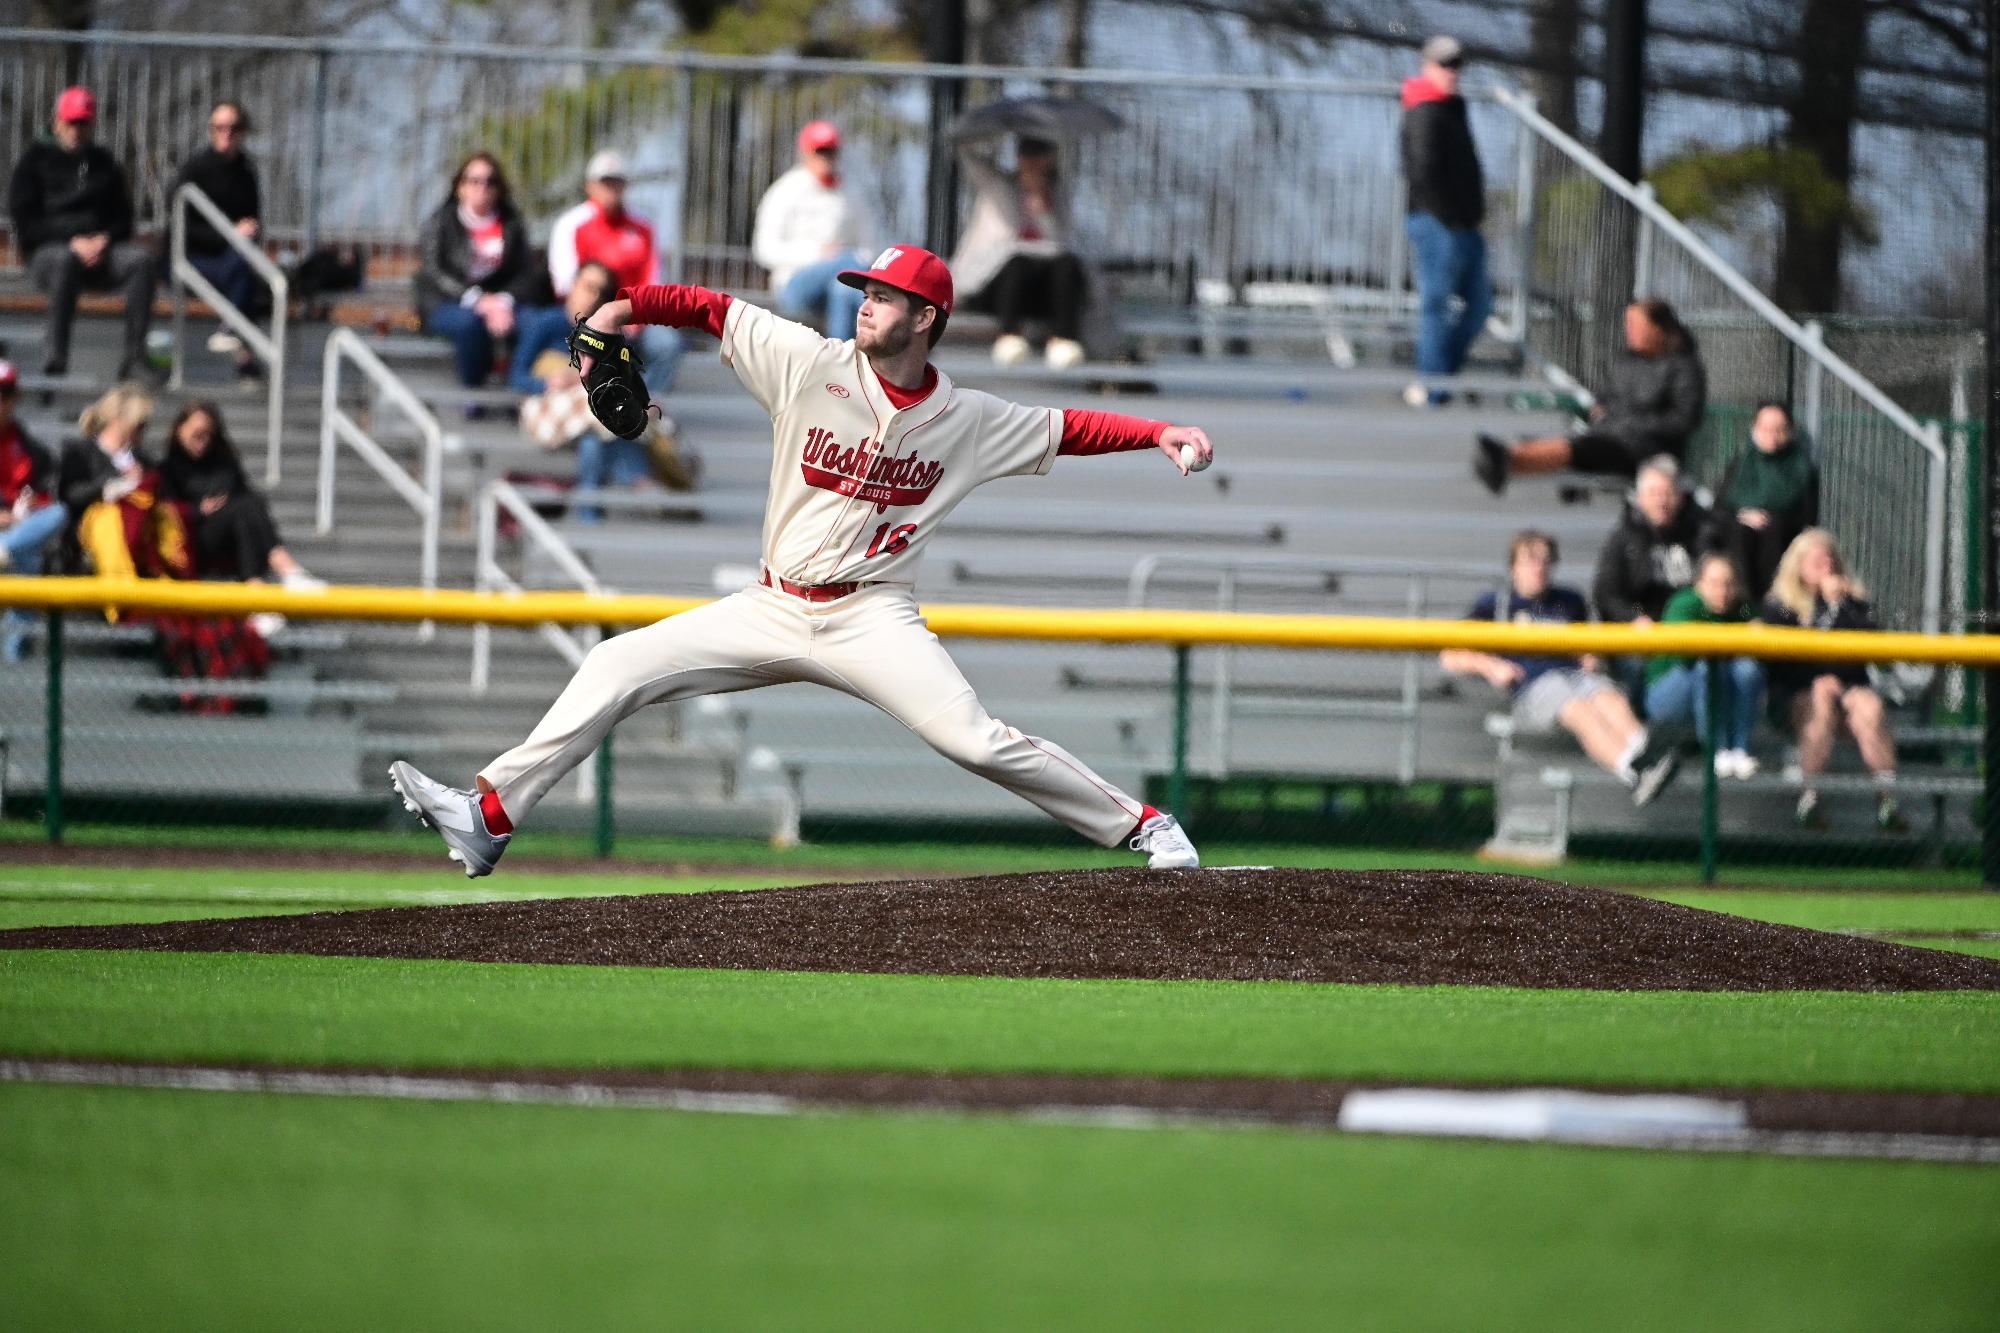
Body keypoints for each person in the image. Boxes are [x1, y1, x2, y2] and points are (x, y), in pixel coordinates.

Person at [390, 244, 1211, 876]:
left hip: (870, 614)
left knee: (975, 739)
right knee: (615, 663)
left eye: (886, 296)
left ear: (925, 317)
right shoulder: (809, 361)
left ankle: (1145, 825)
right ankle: (489, 815)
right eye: (866, 291)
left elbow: (1067, 427)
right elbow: (707, 308)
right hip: (771, 604)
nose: (866, 304)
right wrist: (616, 310)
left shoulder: (967, 417)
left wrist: (1157, 434)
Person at [1440, 529, 1679, 805]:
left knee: (1609, 698)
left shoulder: (1569, 600)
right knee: (1579, 709)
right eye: (1530, 561)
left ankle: (1648, 754)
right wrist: (1491, 666)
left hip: (1573, 675)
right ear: (1514, 567)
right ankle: (1633, 772)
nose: (1538, 568)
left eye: (1545, 561)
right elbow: (1450, 654)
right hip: (1534, 687)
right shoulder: (1496, 604)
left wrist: (1589, 656)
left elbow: (1586, 646)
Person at [515, 261, 692, 520]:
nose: (593, 296)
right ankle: (641, 480)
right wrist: (546, 383)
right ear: (573, 285)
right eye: (588, 287)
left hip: (592, 416)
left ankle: (591, 515)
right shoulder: (546, 324)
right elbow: (516, 375)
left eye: (601, 291)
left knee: (594, 439)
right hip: (550, 410)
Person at [1476, 298, 1706, 492]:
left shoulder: (1685, 368)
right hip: (1611, 435)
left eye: (1636, 325)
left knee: (1578, 449)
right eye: (1628, 324)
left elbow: (1683, 420)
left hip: (1647, 451)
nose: (1629, 331)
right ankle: (1508, 457)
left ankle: (1507, 460)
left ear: (1658, 329)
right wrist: (1600, 407)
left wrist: (1630, 424)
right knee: (1574, 442)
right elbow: (1609, 396)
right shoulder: (1629, 361)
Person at [7, 87, 157, 381]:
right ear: (57, 120)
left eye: (83, 122)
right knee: (65, 259)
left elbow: (123, 218)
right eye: (71, 121)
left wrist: (104, 239)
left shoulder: (103, 163)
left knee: (141, 260)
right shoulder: (34, 162)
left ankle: (135, 356)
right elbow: (26, 222)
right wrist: (71, 241)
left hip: (100, 253)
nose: (77, 129)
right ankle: (56, 354)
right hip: (48, 256)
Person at [1761, 529, 1905, 832]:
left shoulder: (1852, 603)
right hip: (1797, 695)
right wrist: (1820, 679)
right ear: (1798, 566)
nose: (1826, 564)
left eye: (1830, 559)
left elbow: (1876, 650)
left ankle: (1888, 800)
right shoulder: (1780, 605)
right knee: (1821, 697)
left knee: (1869, 706)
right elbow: (1779, 664)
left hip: (1848, 693)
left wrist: (1841, 605)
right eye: (1817, 560)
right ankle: (1809, 799)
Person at [546, 151, 685, 399]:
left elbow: (653, 283)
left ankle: (641, 411)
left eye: (616, 181)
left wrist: (631, 318)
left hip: (632, 320)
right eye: (605, 181)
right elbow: (566, 284)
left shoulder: (643, 227)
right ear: (590, 186)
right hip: (584, 317)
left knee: (667, 344)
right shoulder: (571, 224)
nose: (611, 188)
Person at [1400, 34, 1491, 409]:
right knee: (1437, 306)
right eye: (1443, 64)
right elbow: (1422, 170)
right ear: (1426, 65)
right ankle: (1433, 388)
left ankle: (1437, 380)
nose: (1451, 72)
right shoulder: (1423, 109)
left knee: (1481, 306)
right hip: (1438, 223)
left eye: (1456, 64)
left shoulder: (1453, 107)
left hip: (1463, 224)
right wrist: (1450, 217)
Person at [952, 138, 1089, 369]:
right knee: (1017, 264)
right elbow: (968, 156)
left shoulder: (1057, 197)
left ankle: (1064, 339)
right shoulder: (997, 184)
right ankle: (1009, 335)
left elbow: (1063, 245)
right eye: (1026, 155)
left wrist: (1043, 210)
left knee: (1066, 266)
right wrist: (990, 132)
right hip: (996, 284)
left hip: (1042, 290)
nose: (1032, 163)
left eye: (1038, 156)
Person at [155, 401, 318, 589]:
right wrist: (198, 509)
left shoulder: (223, 463)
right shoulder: (166, 470)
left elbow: (239, 492)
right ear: (180, 429)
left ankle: (258, 586)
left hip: (231, 531)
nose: (203, 440)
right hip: (192, 537)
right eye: (197, 434)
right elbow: (165, 513)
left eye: (208, 435)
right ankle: (285, 569)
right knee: (246, 506)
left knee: (249, 506)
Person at [415, 152, 534, 387]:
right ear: (460, 187)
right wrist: (477, 301)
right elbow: (434, 272)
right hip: (446, 301)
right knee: (470, 324)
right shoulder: (440, 222)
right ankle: (473, 390)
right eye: (474, 180)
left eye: (491, 181)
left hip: (499, 301)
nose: (483, 187)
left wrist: (503, 300)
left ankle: (519, 386)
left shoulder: (512, 224)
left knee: (534, 322)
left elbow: (525, 272)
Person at [1643, 552, 1765, 780]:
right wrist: (1739, 641)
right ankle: (1715, 750)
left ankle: (1739, 749)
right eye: (1714, 583)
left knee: (1747, 669)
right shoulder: (1685, 603)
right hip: (1667, 698)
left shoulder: (1742, 607)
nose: (1722, 591)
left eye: (1729, 584)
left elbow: (1758, 630)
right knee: (1707, 667)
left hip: (1718, 691)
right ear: (1699, 584)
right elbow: (1690, 651)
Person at [170, 100, 264, 382]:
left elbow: (253, 220)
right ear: (211, 131)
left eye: (233, 128)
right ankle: (243, 354)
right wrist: (229, 234)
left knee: (249, 272)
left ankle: (238, 341)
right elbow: (178, 225)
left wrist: (251, 230)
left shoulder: (247, 173)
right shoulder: (195, 169)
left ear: (243, 131)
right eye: (219, 128)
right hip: (192, 257)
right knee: (241, 272)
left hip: (231, 259)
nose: (226, 134)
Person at [753, 120, 869, 342]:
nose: (826, 157)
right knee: (848, 263)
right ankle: (895, 333)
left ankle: (839, 368)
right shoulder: (785, 190)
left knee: (844, 290)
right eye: (820, 151)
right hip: (795, 284)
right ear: (805, 153)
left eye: (831, 151)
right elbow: (765, 249)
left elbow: (871, 245)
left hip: (842, 283)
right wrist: (820, 254)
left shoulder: (853, 193)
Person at [1711, 401, 1818, 600]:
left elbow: (1807, 516)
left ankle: (1772, 601)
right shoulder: (1741, 462)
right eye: (1765, 429)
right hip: (1740, 530)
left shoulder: (1800, 469)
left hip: (1780, 534)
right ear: (1755, 429)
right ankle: (1742, 601)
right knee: (1739, 531)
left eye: (1779, 429)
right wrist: (1743, 515)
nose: (1772, 436)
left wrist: (1770, 518)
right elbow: (1719, 507)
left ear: (1789, 431)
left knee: (1775, 530)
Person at [1591, 456, 1710, 625]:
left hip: (1691, 632)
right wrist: (1633, 618)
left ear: (1680, 497)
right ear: (1640, 498)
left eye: (1667, 493)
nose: (1661, 502)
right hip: (1639, 637)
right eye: (1653, 493)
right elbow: (1606, 593)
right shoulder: (1623, 539)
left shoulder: (1702, 535)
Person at [0, 361, 66, 660]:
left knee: (59, 513)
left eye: (5, 392)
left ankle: (4, 548)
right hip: (9, 529)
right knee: (26, 559)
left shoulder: (29, 447)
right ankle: (14, 655)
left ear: (15, 397)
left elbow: (44, 499)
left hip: (18, 532)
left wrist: (26, 510)